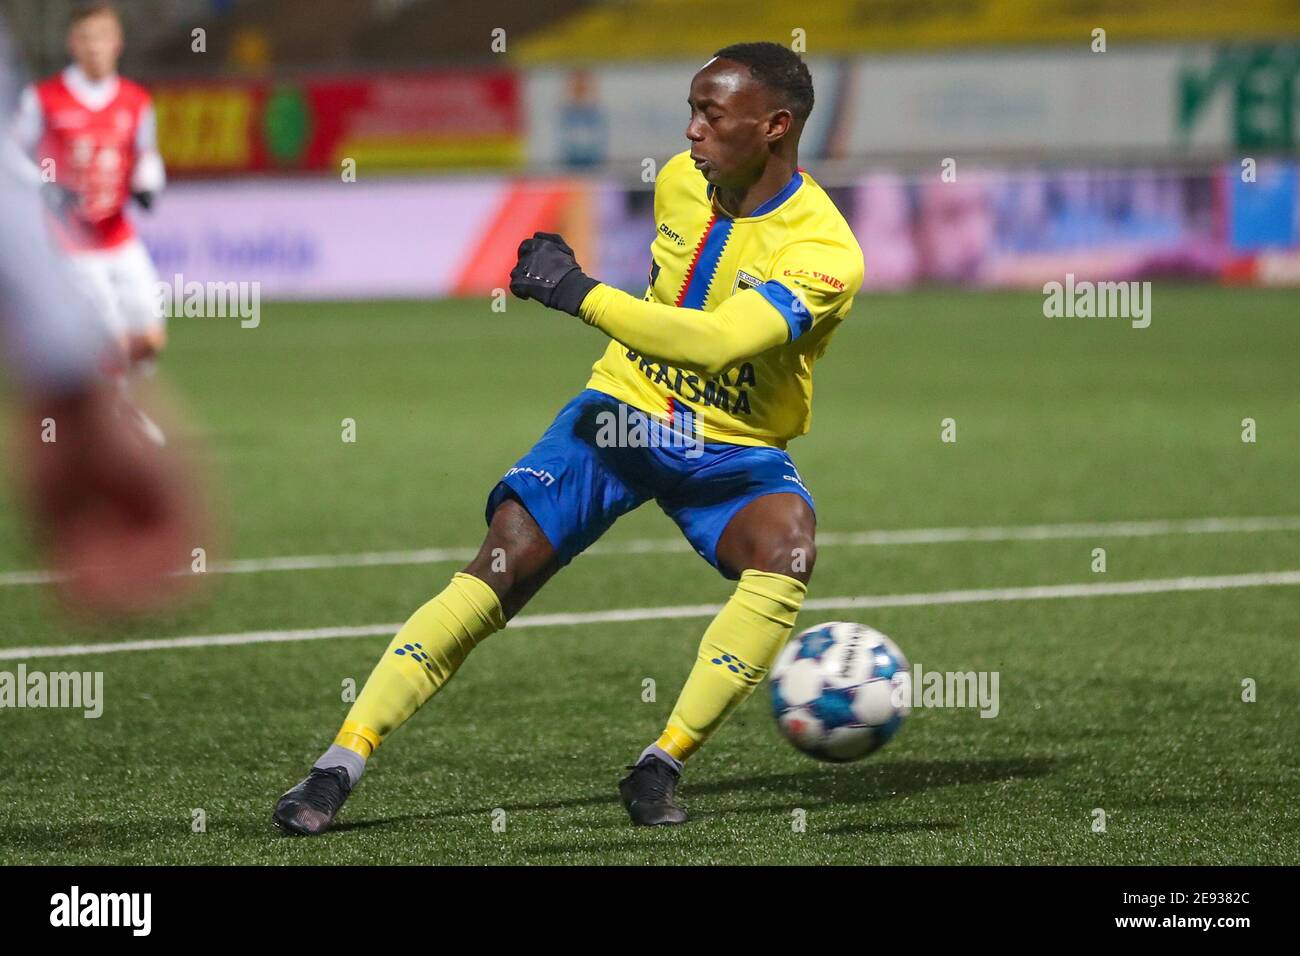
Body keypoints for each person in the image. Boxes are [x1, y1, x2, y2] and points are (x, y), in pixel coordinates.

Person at [274, 41, 864, 834]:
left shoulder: (826, 252)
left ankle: (660, 765)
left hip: (732, 445)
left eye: (710, 114)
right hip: (621, 412)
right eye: (690, 110)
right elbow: (668, 311)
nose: (689, 131)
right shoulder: (680, 185)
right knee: (499, 567)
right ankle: (337, 765)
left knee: (786, 552)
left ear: (775, 126)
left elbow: (716, 343)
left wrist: (574, 291)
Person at [12, 1, 167, 441]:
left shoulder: (136, 101)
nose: (95, 47)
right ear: (72, 43)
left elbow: (148, 156)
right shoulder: (43, 99)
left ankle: (119, 408)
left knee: (149, 341)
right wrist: (48, 186)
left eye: (103, 37)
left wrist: (148, 183)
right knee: (112, 343)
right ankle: (112, 420)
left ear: (117, 42)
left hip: (119, 237)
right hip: (70, 243)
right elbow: (12, 156)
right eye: (86, 38)